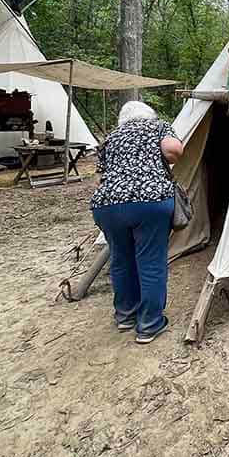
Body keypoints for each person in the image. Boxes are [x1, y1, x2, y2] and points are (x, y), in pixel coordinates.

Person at [91, 101, 184, 344]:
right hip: (150, 201)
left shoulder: (111, 137)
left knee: (121, 260)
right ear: (149, 115)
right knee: (151, 263)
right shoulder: (158, 127)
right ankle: (150, 324)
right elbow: (174, 150)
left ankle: (125, 316)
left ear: (123, 119)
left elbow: (101, 177)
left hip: (107, 205)